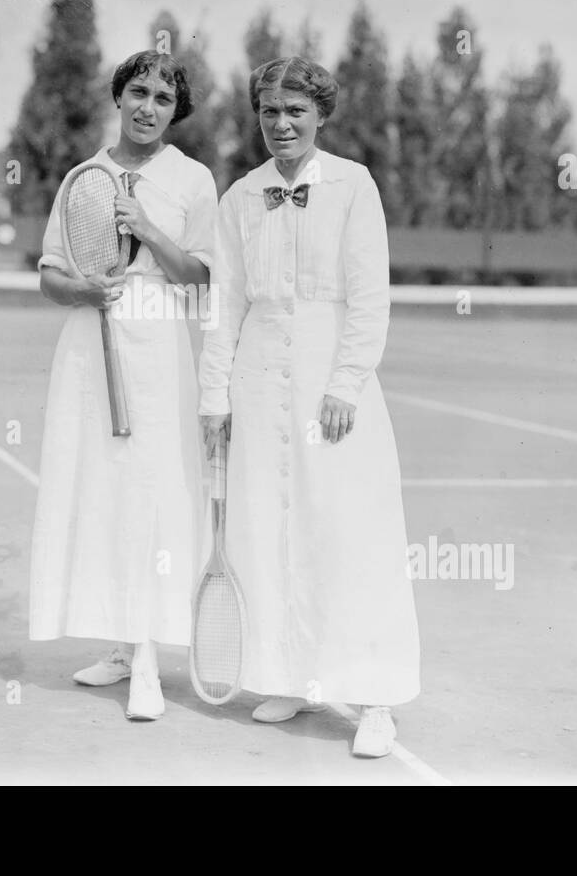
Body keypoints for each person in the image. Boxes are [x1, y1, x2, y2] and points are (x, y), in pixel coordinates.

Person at [198, 56, 419, 758]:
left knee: (349, 535)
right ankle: (290, 677)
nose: (281, 124)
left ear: (320, 113)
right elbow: (224, 305)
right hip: (258, 387)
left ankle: (374, 697)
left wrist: (346, 384)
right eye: (269, 111)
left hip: (331, 385)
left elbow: (369, 296)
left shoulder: (354, 185)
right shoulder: (239, 197)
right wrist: (213, 394)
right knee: (268, 531)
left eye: (295, 110)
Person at [29, 50, 217, 720]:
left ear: (176, 110)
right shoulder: (84, 175)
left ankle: (147, 660)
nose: (148, 106)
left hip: (159, 353)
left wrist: (148, 231)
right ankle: (120, 641)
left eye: (163, 99)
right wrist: (83, 288)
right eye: (138, 91)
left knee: (152, 496)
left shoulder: (193, 180)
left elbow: (202, 278)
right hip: (90, 347)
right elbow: (50, 272)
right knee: (104, 491)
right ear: (119, 96)